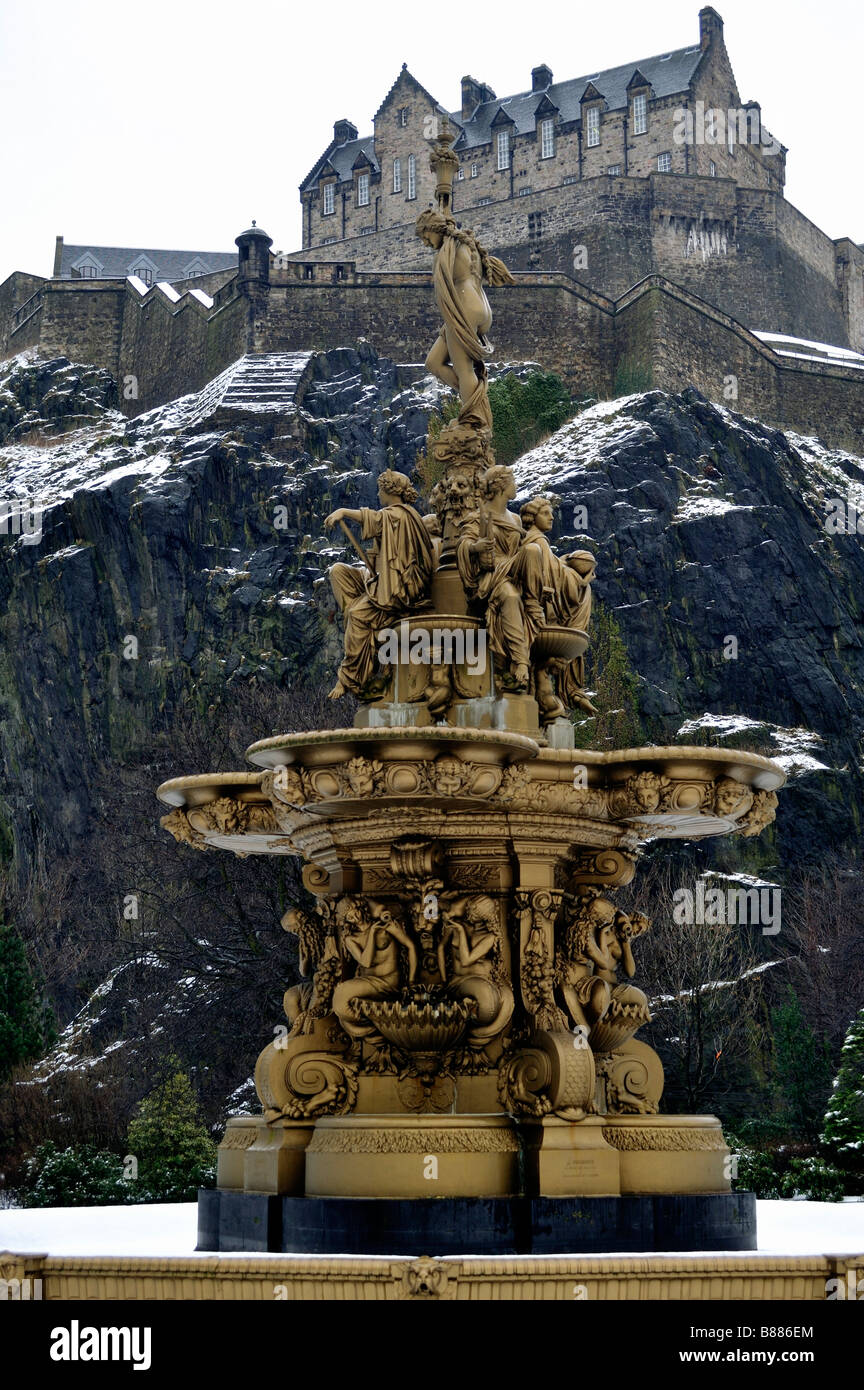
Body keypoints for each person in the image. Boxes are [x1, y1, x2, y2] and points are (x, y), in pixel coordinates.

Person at [325, 470, 434, 698]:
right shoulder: (400, 515)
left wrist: (343, 512)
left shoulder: (399, 515)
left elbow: (373, 518)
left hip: (396, 590)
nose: (378, 493)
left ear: (388, 490)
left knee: (357, 615)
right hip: (382, 579)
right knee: (338, 572)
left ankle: (351, 678)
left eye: (380, 489)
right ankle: (358, 615)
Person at [415, 209, 514, 433]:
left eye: (425, 236)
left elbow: (444, 278)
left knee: (464, 369)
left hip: (464, 306)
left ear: (435, 229)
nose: (425, 243)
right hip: (478, 306)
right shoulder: (467, 245)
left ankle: (472, 422)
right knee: (433, 362)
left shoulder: (450, 247)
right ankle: (475, 403)